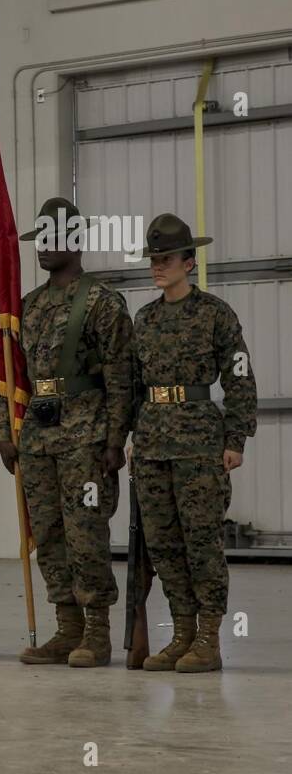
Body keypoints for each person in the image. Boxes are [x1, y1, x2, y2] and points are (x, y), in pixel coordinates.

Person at [0, 197, 132, 667]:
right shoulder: (27, 308)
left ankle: (96, 630)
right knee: (49, 534)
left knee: (85, 534)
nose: (44, 247)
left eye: (55, 238)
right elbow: (13, 379)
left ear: (77, 243)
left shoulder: (102, 302)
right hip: (37, 438)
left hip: (86, 437)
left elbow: (120, 378)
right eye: (41, 239)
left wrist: (116, 441)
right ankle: (67, 627)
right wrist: (5, 433)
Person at [130, 213, 256, 673]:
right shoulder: (144, 318)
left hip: (201, 442)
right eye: (153, 259)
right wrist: (131, 437)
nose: (157, 267)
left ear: (189, 261)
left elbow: (240, 377)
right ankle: (181, 632)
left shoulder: (215, 313)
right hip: (152, 443)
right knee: (164, 544)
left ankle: (208, 638)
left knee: (201, 541)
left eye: (166, 259)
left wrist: (236, 437)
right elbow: (133, 384)